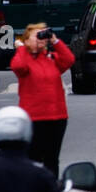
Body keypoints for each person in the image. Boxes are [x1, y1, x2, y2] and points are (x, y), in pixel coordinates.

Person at [11, 23, 74, 179]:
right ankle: (33, 191)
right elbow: (18, 66)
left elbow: (69, 60)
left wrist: (55, 41)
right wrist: (22, 49)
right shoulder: (25, 60)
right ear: (26, 40)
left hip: (57, 117)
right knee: (33, 158)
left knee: (52, 159)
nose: (41, 39)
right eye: (36, 36)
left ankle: (51, 190)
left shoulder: (52, 59)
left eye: (43, 35)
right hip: (33, 118)